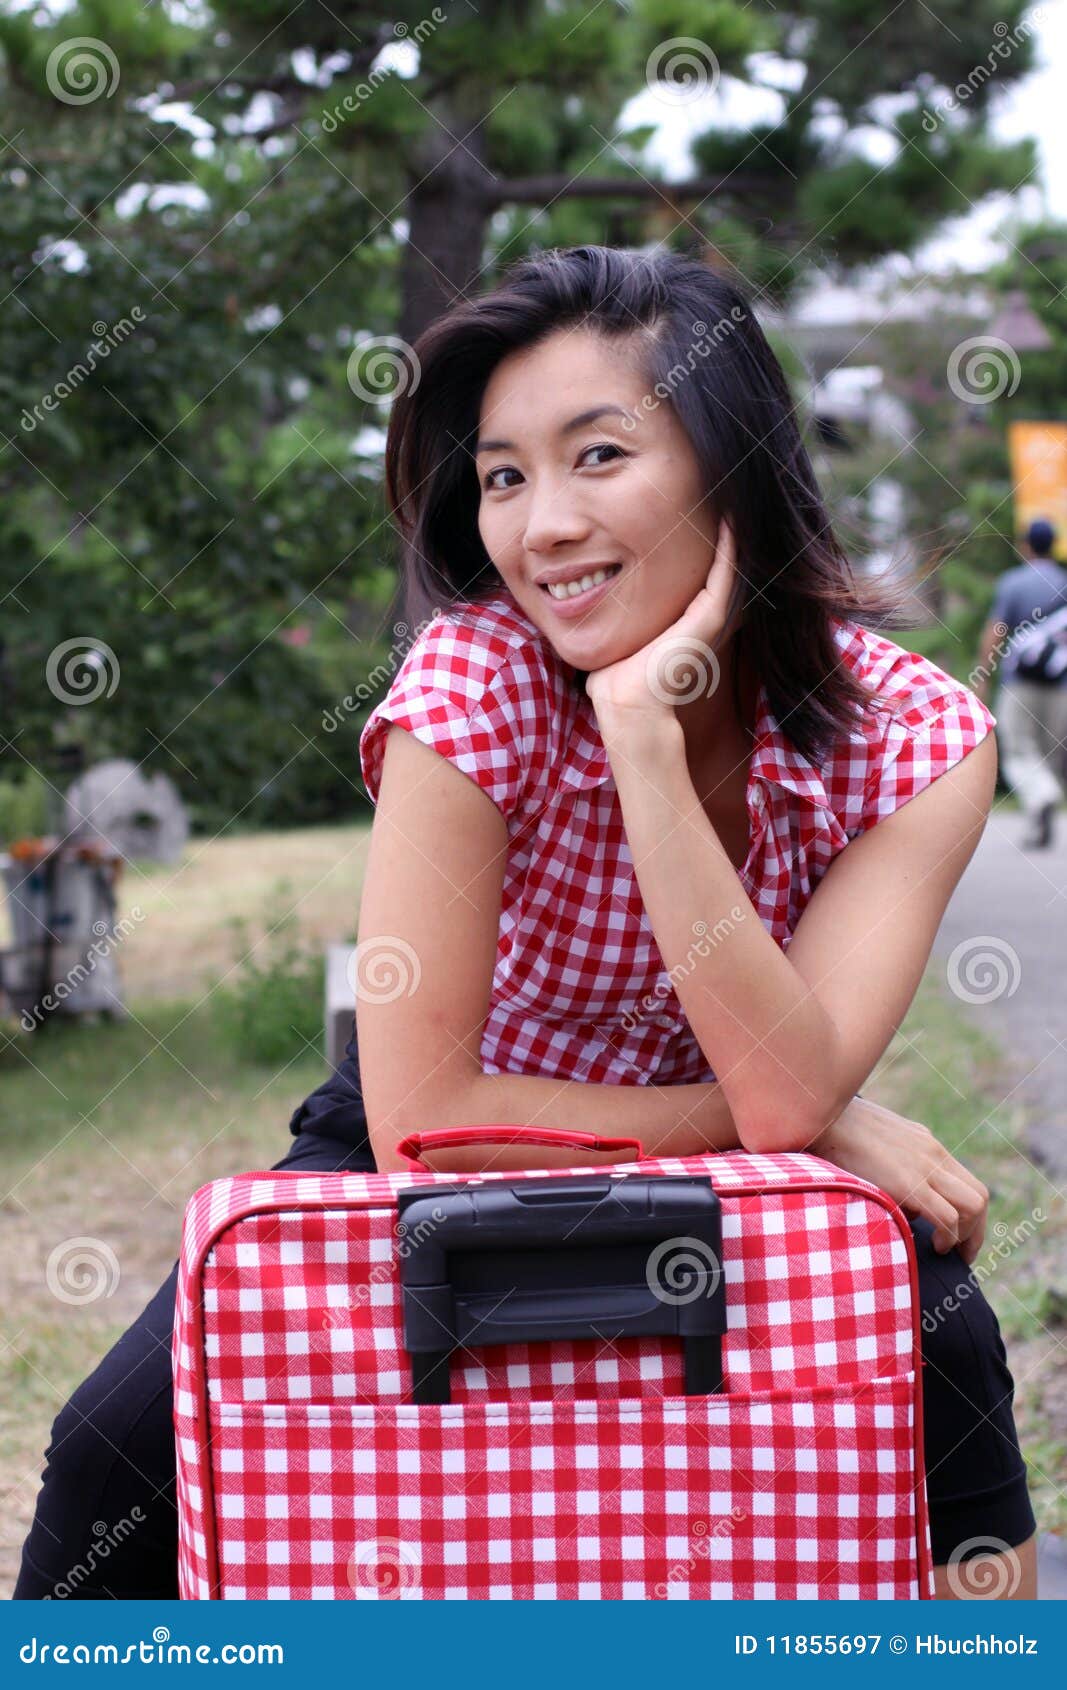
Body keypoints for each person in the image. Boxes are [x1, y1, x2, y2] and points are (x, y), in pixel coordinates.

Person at [15, 246, 1036, 1602]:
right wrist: (805, 1120)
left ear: (730, 469)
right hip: (430, 1153)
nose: (539, 524)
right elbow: (423, 1113)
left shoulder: (909, 736)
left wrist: (646, 751)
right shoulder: (472, 680)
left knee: (944, 1352)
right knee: (114, 1441)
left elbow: (781, 1087)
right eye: (502, 475)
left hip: (746, 1160)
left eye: (596, 454)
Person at [976, 516, 1067, 848]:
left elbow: (996, 632)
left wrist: (983, 673)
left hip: (1020, 683)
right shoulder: (1064, 580)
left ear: (1026, 545)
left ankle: (1042, 796)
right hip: (1060, 684)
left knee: (1018, 750)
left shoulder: (1013, 582)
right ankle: (1039, 820)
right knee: (1047, 754)